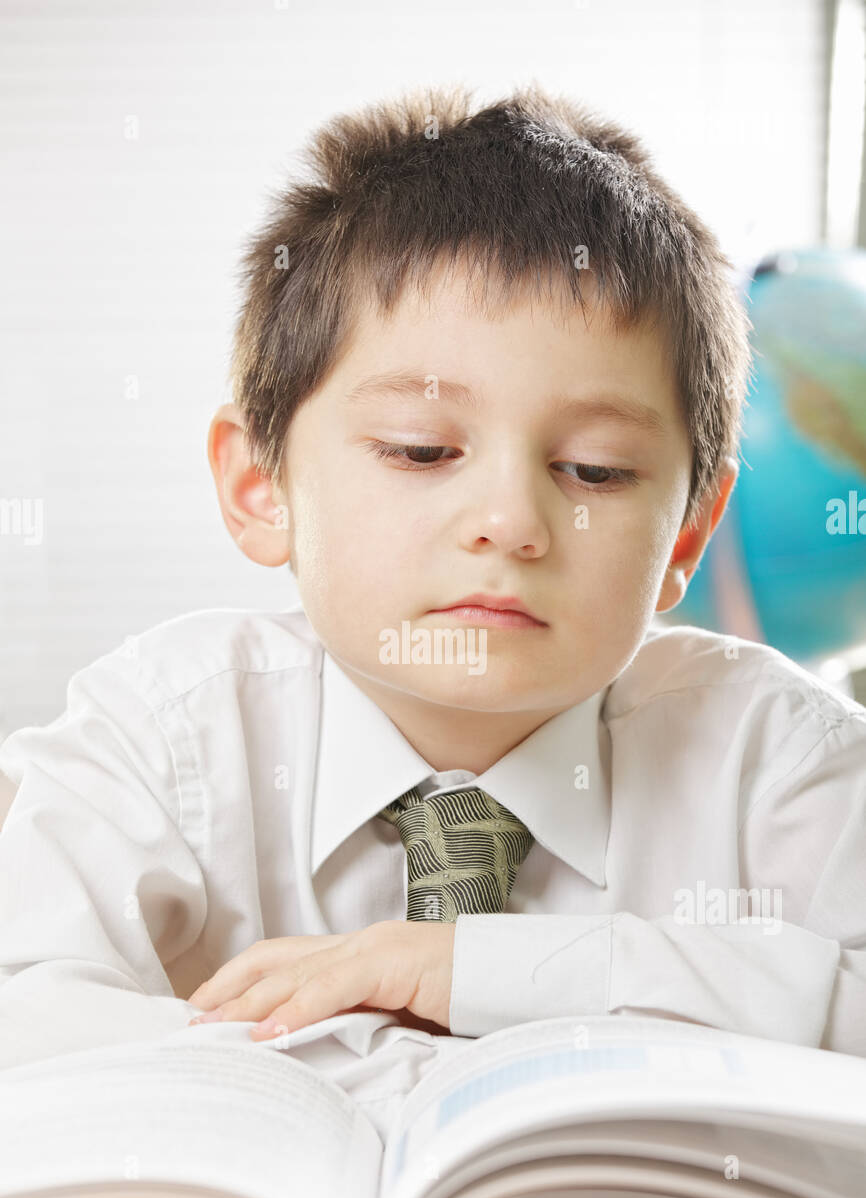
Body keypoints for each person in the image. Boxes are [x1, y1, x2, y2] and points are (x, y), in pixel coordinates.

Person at [2, 82, 865, 1074]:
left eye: (593, 470)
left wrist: (472, 972)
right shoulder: (163, 734)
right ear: (259, 487)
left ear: (684, 537)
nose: (509, 523)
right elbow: (26, 1014)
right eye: (419, 451)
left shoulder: (778, 765)